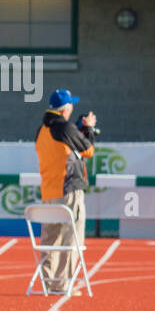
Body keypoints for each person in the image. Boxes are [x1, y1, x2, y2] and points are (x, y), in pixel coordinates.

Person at [34, 88, 98, 295]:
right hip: (68, 189)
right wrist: (87, 129)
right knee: (72, 237)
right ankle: (63, 284)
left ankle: (49, 281)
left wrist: (75, 130)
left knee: (50, 238)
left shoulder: (41, 129)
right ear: (66, 109)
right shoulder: (64, 127)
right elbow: (88, 150)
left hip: (48, 191)